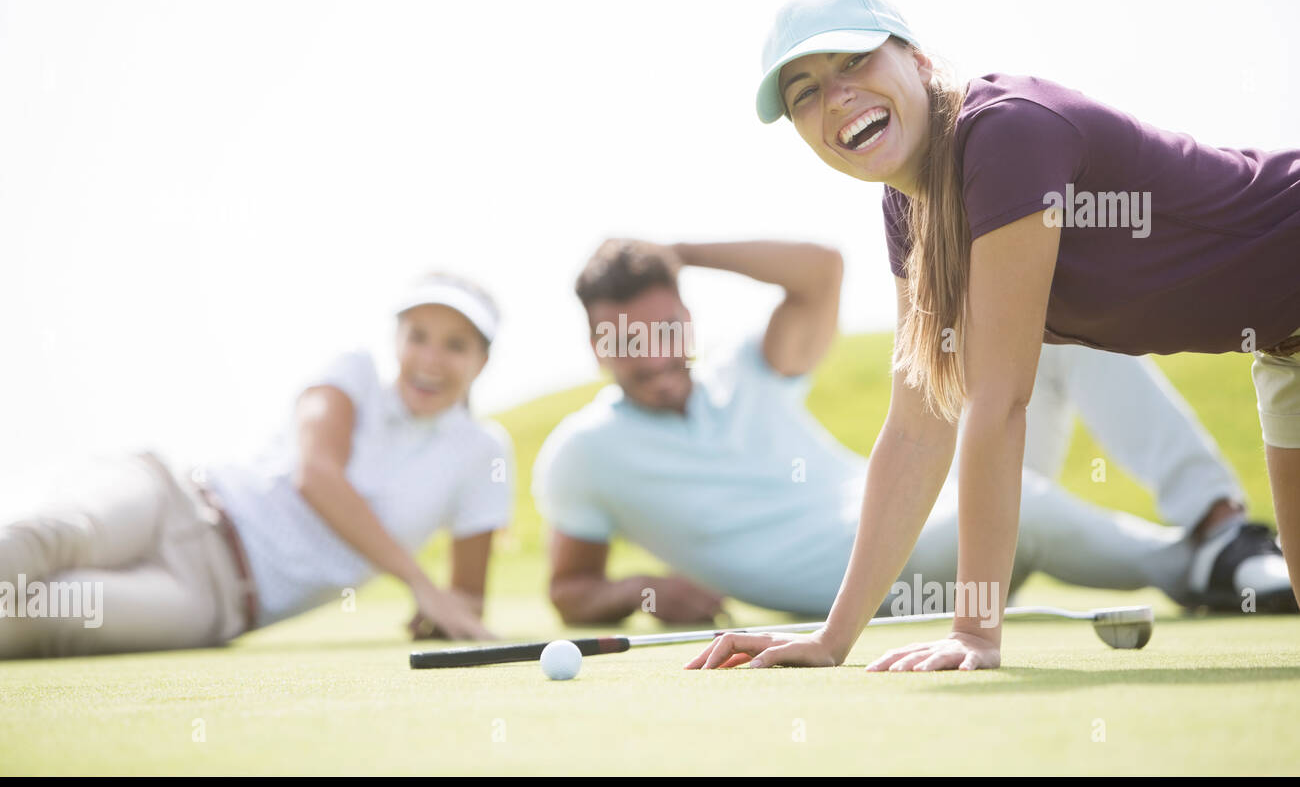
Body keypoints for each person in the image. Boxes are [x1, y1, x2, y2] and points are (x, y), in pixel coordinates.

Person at [690, 0, 1300, 672]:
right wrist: (832, 639)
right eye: (805, 93)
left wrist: (975, 631)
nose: (835, 97)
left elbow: (999, 400)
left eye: (853, 61)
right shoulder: (908, 207)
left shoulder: (1007, 132)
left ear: (917, 59)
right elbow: (917, 427)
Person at [534, 239, 1292, 633]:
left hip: (917, 515)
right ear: (597, 347)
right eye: (628, 340)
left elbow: (821, 269)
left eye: (666, 328)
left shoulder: (748, 371)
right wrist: (643, 590)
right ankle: (1197, 569)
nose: (654, 355)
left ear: (687, 319)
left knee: (1049, 333)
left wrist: (678, 251)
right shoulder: (583, 452)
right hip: (878, 579)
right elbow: (569, 589)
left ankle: (1220, 525)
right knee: (1013, 503)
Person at [0, 272, 512, 658]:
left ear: (482, 361)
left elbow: (466, 599)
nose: (430, 359)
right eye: (418, 336)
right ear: (397, 340)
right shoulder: (352, 370)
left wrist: (443, 614)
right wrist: (421, 584)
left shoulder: (483, 453)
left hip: (214, 600)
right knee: (51, 537)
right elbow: (316, 476)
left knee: (53, 610)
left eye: (455, 345)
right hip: (175, 501)